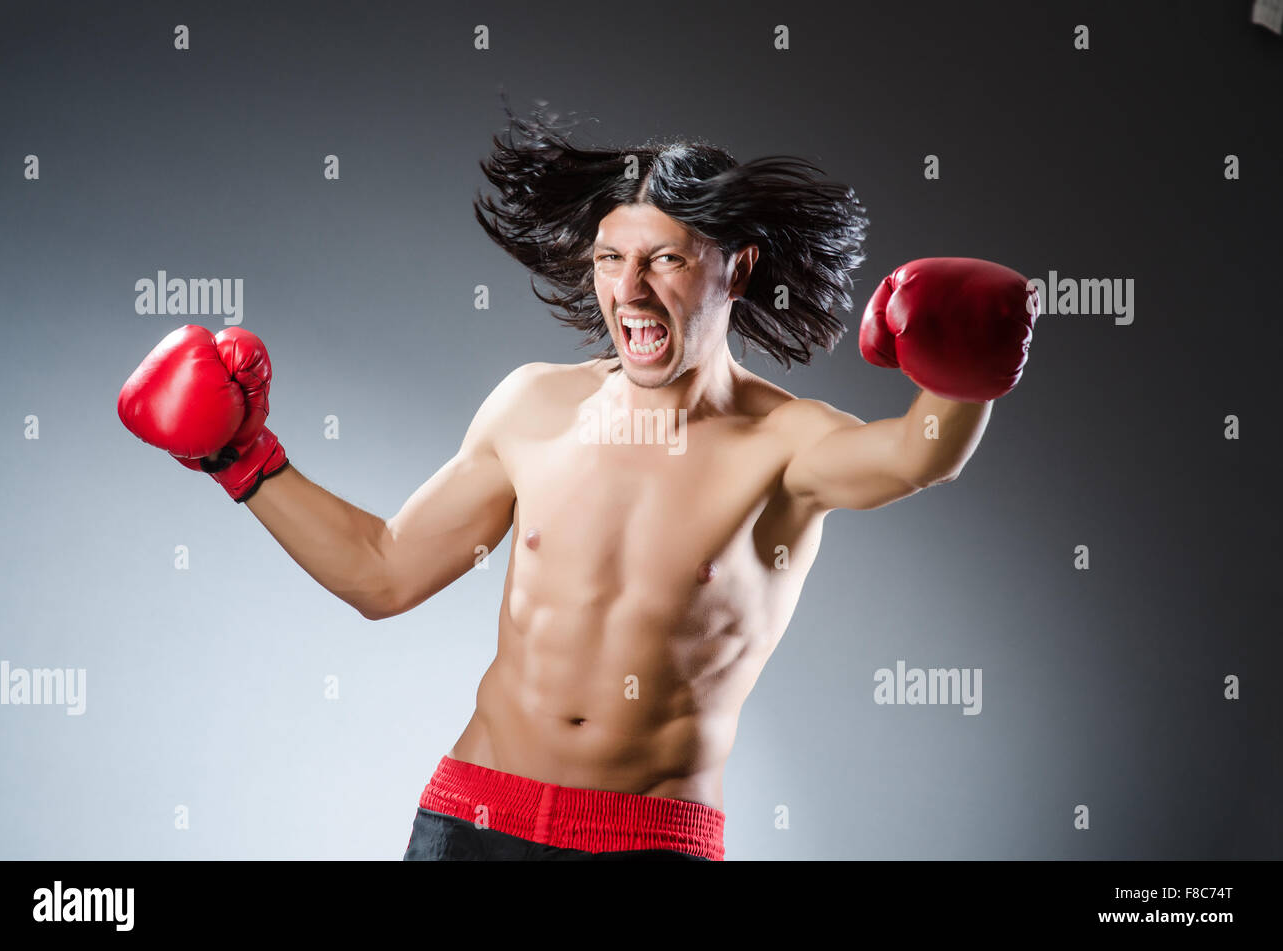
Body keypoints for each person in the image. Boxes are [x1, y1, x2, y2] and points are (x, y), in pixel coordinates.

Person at [117, 105, 1038, 861]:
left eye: (665, 258)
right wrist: (240, 457)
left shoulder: (784, 444)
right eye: (610, 258)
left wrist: (963, 370)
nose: (629, 290)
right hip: (467, 821)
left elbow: (917, 453)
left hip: (648, 840)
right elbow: (383, 572)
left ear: (736, 266)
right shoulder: (532, 406)